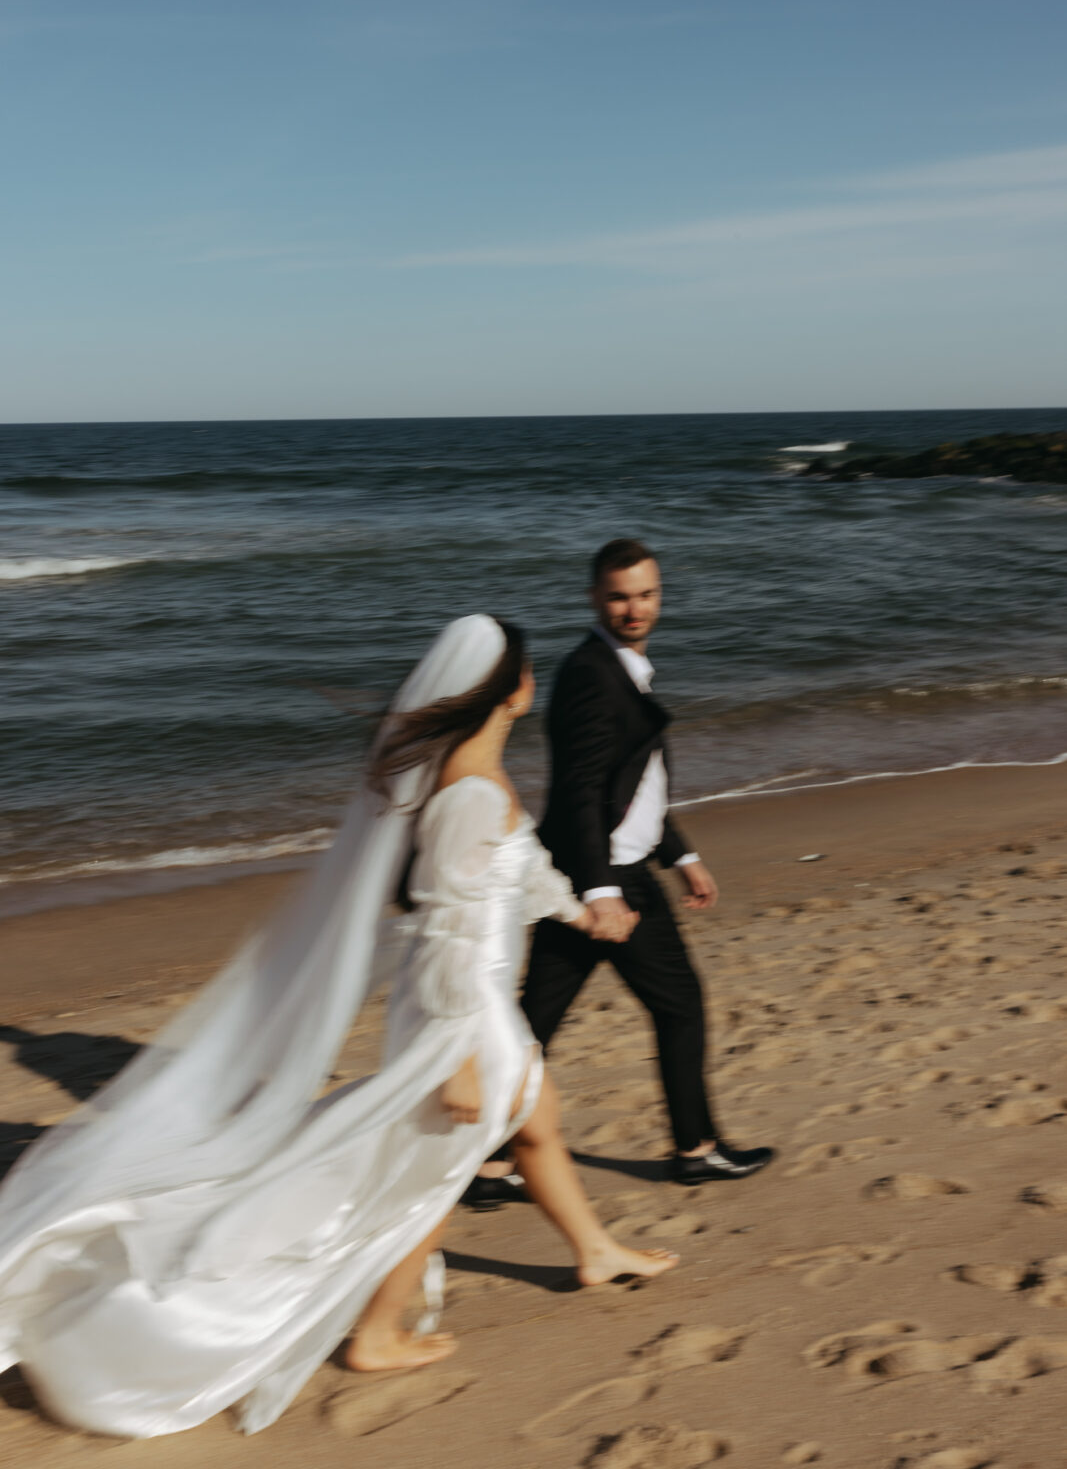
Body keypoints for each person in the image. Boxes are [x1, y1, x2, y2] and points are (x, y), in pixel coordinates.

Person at [0, 615, 674, 1440]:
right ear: (517, 691)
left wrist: (584, 911)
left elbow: (516, 876)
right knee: (429, 1173)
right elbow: (447, 929)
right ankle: (377, 1334)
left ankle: (594, 1251)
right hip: (462, 1011)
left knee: (537, 1121)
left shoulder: (476, 779)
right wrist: (459, 1055)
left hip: (466, 1004)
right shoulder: (469, 794)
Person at [521, 540, 775, 1188]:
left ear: (658, 595)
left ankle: (491, 1163)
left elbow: (633, 784)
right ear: (592, 598)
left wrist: (680, 853)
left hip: (596, 869)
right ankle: (694, 1150)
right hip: (607, 878)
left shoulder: (620, 665)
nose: (633, 608)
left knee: (532, 1024)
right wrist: (602, 889)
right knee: (680, 1005)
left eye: (645, 594)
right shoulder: (590, 673)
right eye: (618, 596)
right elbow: (578, 789)